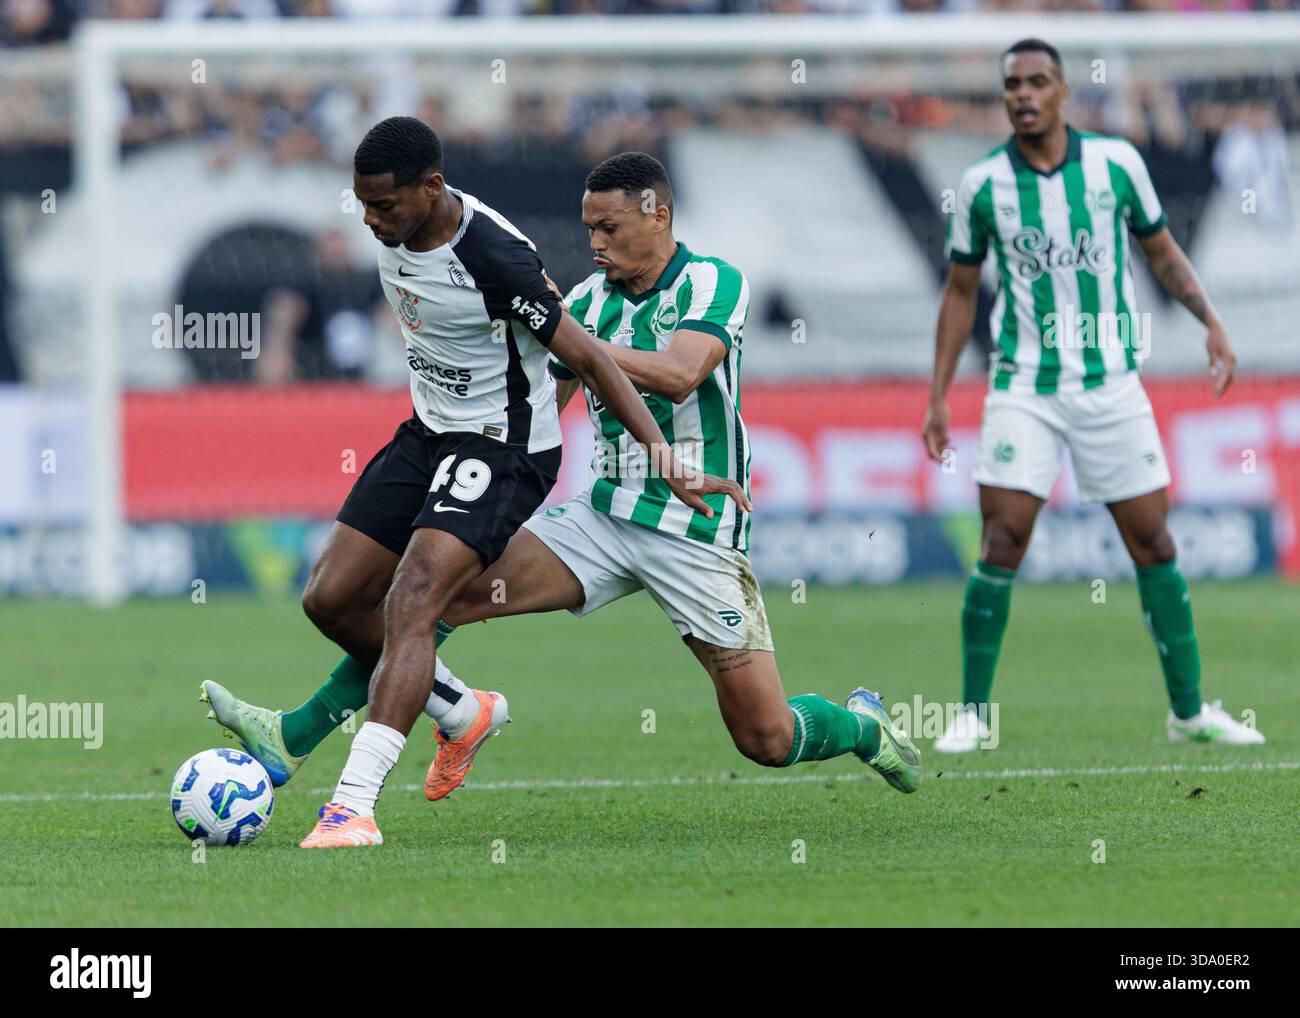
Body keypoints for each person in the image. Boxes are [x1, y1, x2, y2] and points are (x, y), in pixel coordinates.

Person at [204, 152, 921, 843]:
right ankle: (311, 732)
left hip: (693, 526)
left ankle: (861, 724)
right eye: (588, 231)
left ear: (659, 216)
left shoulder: (710, 283)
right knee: (430, 596)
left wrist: (578, 345)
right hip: (602, 518)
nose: (596, 244)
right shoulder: (584, 302)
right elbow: (548, 399)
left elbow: (678, 374)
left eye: (610, 229)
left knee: (765, 737)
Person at [922, 38, 1264, 752]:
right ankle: (973, 717)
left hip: (1111, 383)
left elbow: (1161, 250)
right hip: (1024, 387)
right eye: (1012, 83)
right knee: (1002, 540)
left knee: (1154, 542)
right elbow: (960, 292)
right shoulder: (983, 184)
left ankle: (1189, 711)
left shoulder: (1116, 164)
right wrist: (939, 395)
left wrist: (1211, 321)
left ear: (1063, 91)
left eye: (1037, 81)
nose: (1023, 94)